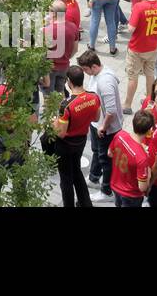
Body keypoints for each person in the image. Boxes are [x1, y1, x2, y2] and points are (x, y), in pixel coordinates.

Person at [51, 64, 99, 208]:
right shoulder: (93, 97)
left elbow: (61, 133)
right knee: (76, 171)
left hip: (65, 145)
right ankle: (85, 203)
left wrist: (53, 122)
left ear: (69, 82)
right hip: (81, 141)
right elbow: (96, 119)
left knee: (66, 178)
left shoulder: (66, 105)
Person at [79, 48, 123, 199]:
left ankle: (106, 190)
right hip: (97, 124)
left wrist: (103, 127)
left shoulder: (105, 82)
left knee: (106, 159)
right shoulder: (96, 74)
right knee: (97, 152)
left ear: (94, 66)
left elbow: (111, 111)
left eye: (86, 69)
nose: (85, 72)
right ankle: (94, 177)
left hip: (106, 129)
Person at [108, 109, 155, 207]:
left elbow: (110, 154)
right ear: (149, 131)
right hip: (131, 195)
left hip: (115, 186)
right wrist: (149, 172)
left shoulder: (120, 135)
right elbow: (142, 187)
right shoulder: (142, 157)